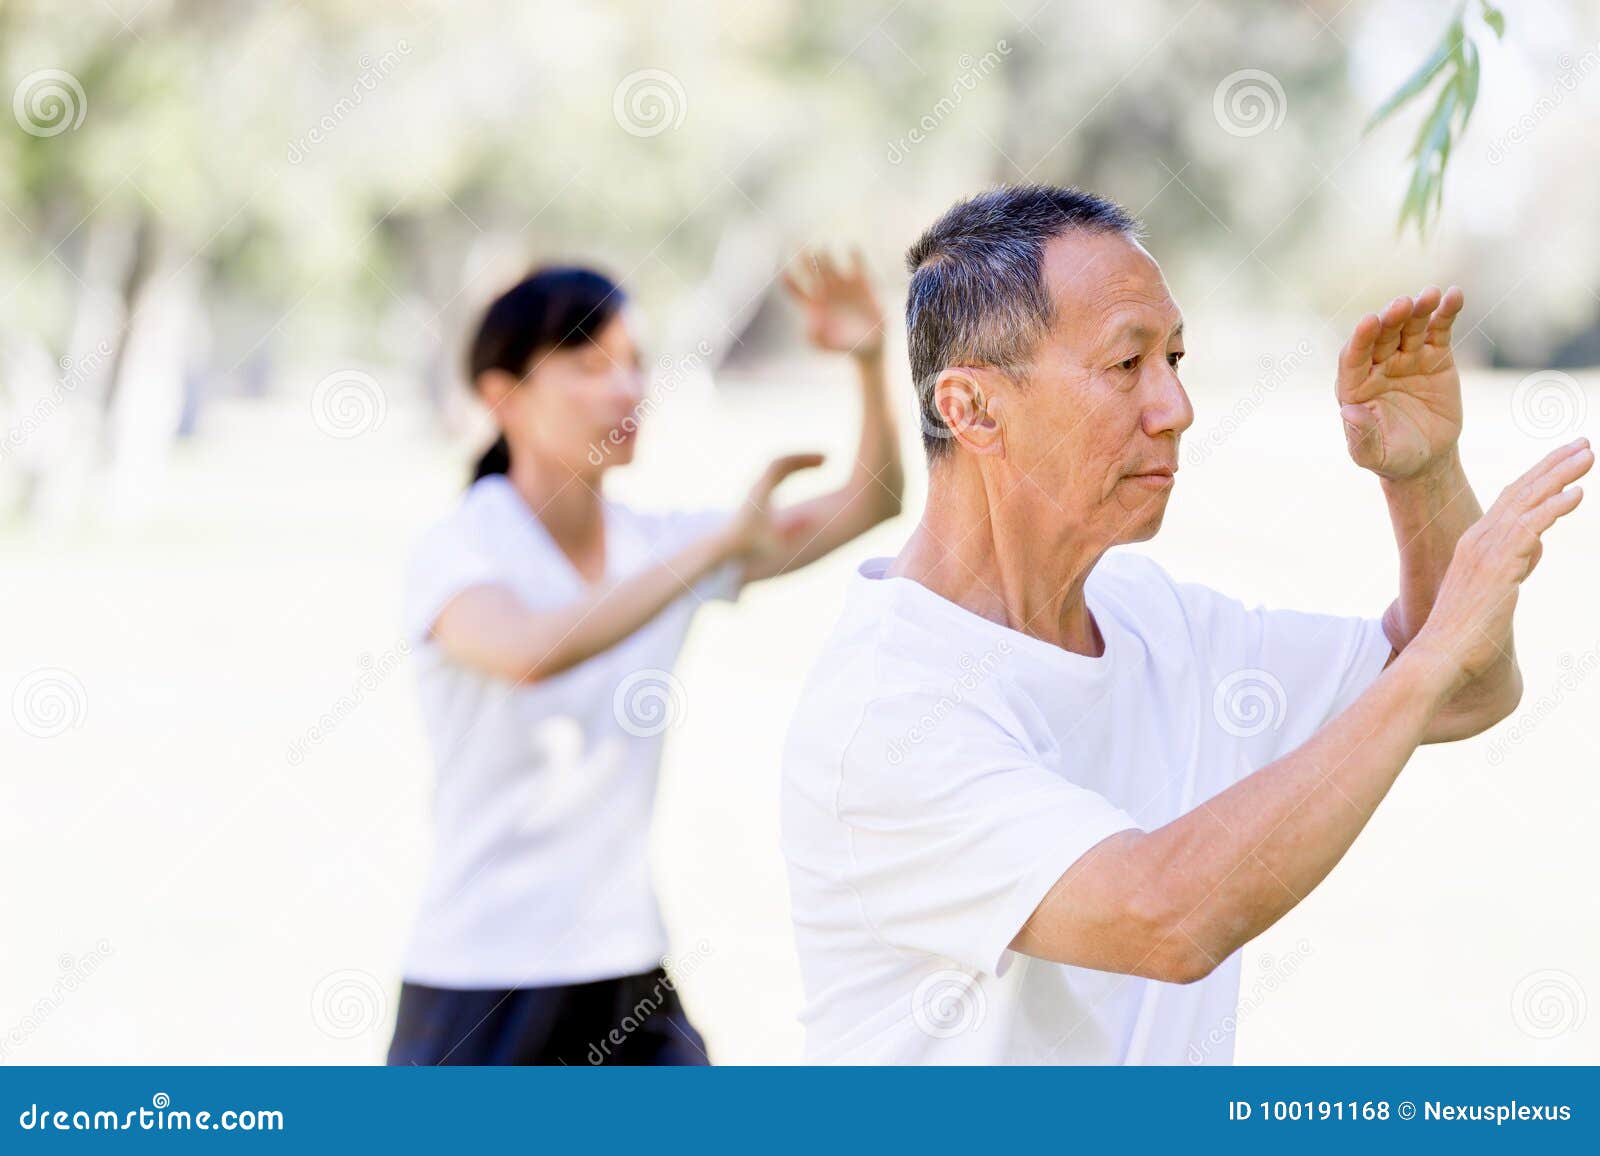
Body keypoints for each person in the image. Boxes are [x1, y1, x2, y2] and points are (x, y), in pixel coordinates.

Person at [780, 184, 1592, 1064]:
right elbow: (1167, 919)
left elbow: (1466, 692)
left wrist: (1424, 477)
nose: (1176, 407)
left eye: (1175, 358)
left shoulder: (1154, 619)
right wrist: (1435, 654)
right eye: (1127, 365)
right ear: (971, 409)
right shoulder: (889, 715)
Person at [388, 256, 902, 1065]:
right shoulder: (461, 548)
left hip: (625, 973)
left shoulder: (663, 544)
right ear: (501, 397)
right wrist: (713, 553)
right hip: (482, 982)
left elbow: (872, 500)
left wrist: (871, 361)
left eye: (634, 366)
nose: (627, 392)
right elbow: (528, 651)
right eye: (590, 367)